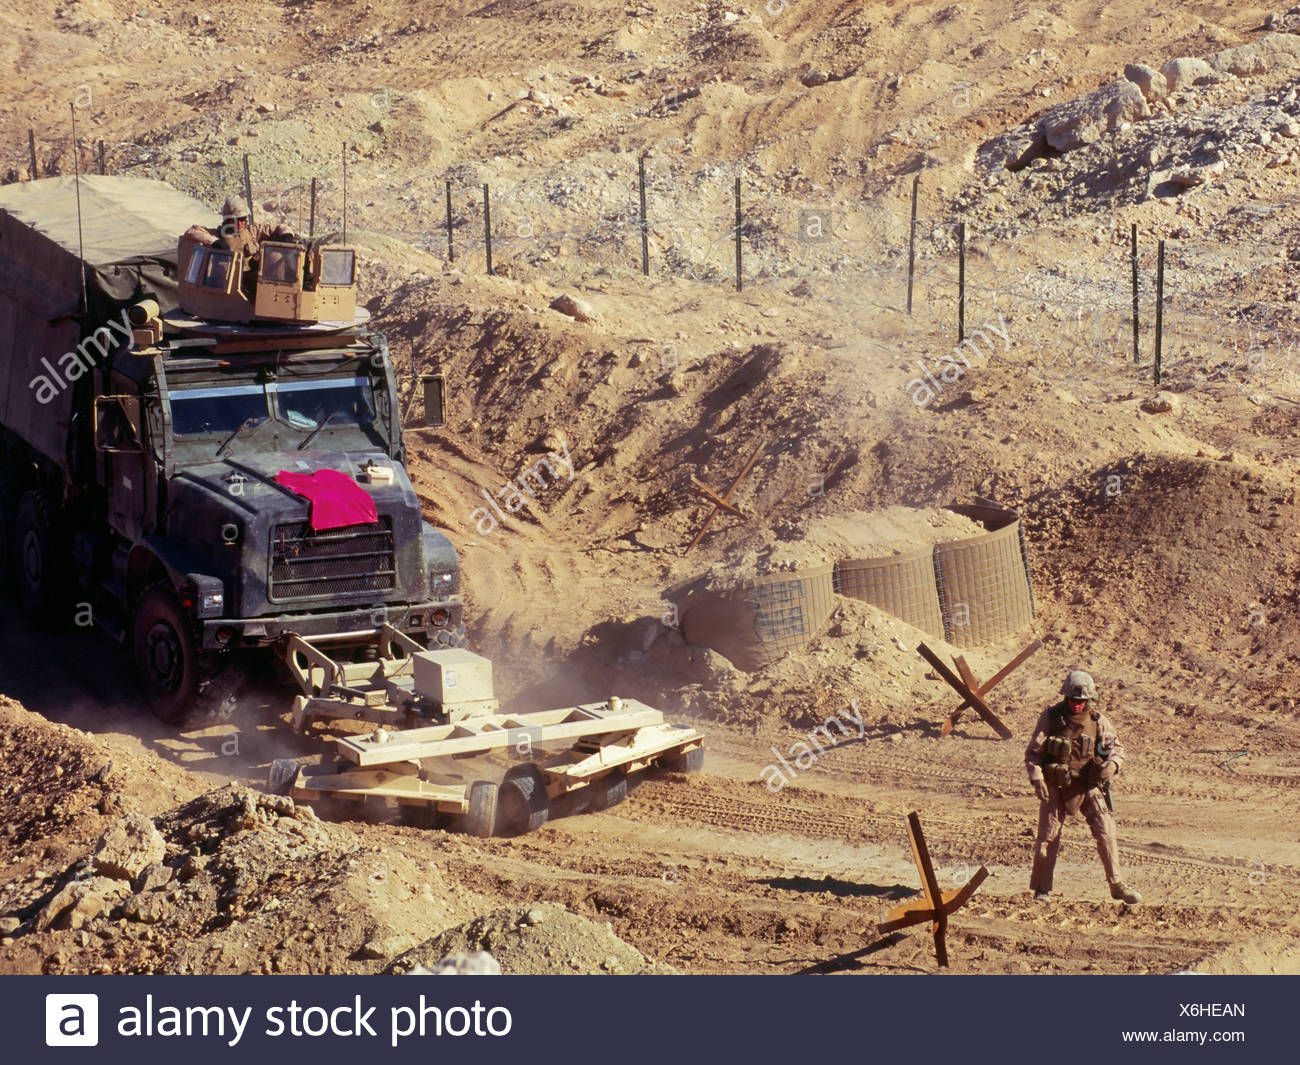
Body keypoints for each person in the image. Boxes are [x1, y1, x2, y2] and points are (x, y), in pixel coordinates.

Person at [1024, 670, 1141, 905]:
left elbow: (1116, 749)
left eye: (1082, 701)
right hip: (1055, 786)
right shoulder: (1051, 718)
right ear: (1066, 697)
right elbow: (1033, 753)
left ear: (1090, 700)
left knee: (1106, 831)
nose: (1077, 705)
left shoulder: (1098, 721)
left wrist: (1112, 765)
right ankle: (1041, 889)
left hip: (1087, 787)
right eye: (1073, 700)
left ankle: (1116, 885)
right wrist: (1037, 778)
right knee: (1047, 838)